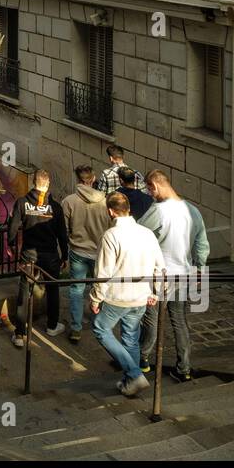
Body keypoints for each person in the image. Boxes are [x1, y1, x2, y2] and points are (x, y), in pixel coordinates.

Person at [89, 192, 166, 397]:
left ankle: (133, 374)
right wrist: (155, 292)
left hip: (118, 297)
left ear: (110, 211)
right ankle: (129, 382)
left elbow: (103, 272)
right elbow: (160, 266)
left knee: (100, 329)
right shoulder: (147, 233)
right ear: (128, 209)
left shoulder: (111, 236)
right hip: (141, 295)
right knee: (130, 338)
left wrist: (96, 299)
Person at [137, 170, 210, 382]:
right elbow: (202, 245)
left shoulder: (158, 211)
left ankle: (143, 360)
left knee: (151, 320)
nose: (150, 195)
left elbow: (139, 234)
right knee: (179, 320)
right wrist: (199, 269)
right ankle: (184, 367)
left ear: (155, 186)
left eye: (149, 190)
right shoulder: (193, 211)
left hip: (159, 276)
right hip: (183, 275)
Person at [8, 170, 67, 348]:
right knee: (53, 289)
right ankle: (52, 325)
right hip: (50, 255)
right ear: (47, 185)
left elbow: (12, 229)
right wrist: (65, 255)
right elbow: (62, 235)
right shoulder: (55, 207)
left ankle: (19, 333)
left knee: (25, 292)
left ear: (33, 183)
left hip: (29, 255)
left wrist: (11, 245)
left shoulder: (22, 203)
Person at [60, 165, 114, 345]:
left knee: (76, 290)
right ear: (93, 179)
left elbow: (64, 228)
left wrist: (71, 239)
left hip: (78, 251)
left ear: (78, 180)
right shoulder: (106, 202)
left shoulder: (69, 201)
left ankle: (76, 328)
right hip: (100, 252)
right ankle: (102, 323)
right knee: (101, 287)